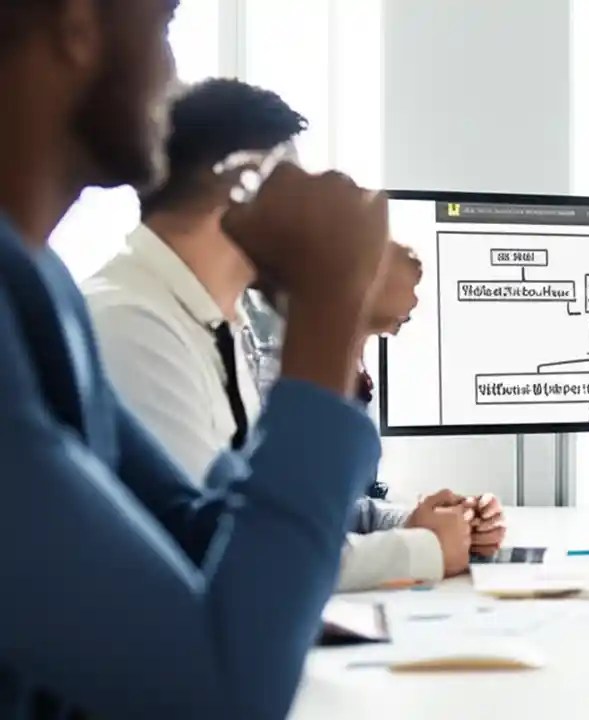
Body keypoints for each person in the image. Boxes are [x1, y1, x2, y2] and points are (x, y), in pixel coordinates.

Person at [0, 1, 393, 717]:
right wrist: (329, 304)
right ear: (78, 24)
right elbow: (222, 692)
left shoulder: (39, 287)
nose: (174, 76)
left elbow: (196, 534)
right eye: (165, 25)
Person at [83, 78, 505, 592]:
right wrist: (423, 549)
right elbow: (231, 553)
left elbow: (264, 506)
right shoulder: (132, 325)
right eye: (295, 186)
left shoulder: (214, 323)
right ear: (243, 182)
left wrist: (414, 523)